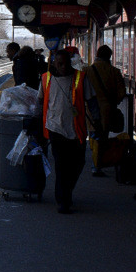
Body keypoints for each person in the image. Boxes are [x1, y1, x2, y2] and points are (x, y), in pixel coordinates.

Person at [39, 48, 93, 213]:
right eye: (59, 63)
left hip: (76, 130)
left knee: (78, 163)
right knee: (61, 166)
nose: (63, 67)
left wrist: (98, 121)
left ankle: (66, 191)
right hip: (55, 128)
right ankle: (63, 200)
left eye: (66, 63)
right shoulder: (45, 79)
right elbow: (39, 102)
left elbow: (92, 101)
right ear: (54, 63)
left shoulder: (81, 78)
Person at [86, 45, 127, 177]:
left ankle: (95, 162)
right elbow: (121, 92)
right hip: (106, 110)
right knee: (102, 136)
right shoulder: (114, 71)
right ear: (109, 56)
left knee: (93, 134)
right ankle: (97, 165)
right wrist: (112, 102)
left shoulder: (87, 70)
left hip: (89, 110)